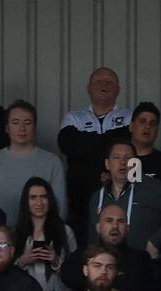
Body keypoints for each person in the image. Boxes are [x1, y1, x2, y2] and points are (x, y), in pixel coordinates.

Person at [86, 137, 161, 260]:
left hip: (143, 267)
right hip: (108, 269)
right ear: (107, 164)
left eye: (128, 158)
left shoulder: (151, 187)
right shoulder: (97, 197)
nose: (122, 162)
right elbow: (92, 239)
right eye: (117, 157)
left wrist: (156, 241)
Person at [58, 67, 131, 233]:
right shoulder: (73, 117)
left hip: (121, 198)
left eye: (109, 82)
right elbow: (68, 146)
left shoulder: (130, 116)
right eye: (98, 81)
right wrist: (113, 140)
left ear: (118, 89)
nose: (103, 84)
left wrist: (87, 144)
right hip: (81, 200)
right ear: (88, 88)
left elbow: (129, 148)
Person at [0, 101, 68, 229]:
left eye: (27, 123)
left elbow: (60, 209)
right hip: (0, 239)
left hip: (39, 238)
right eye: (15, 123)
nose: (22, 128)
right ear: (7, 128)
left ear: (34, 127)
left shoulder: (52, 162)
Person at [15, 177, 77, 291]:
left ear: (50, 200)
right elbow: (6, 274)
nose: (39, 202)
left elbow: (76, 272)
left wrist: (56, 261)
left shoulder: (65, 231)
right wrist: (22, 261)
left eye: (43, 197)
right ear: (26, 202)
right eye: (33, 197)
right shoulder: (16, 233)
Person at [127, 102, 161, 189]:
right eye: (142, 122)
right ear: (131, 126)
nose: (147, 126)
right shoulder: (116, 160)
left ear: (157, 130)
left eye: (152, 123)